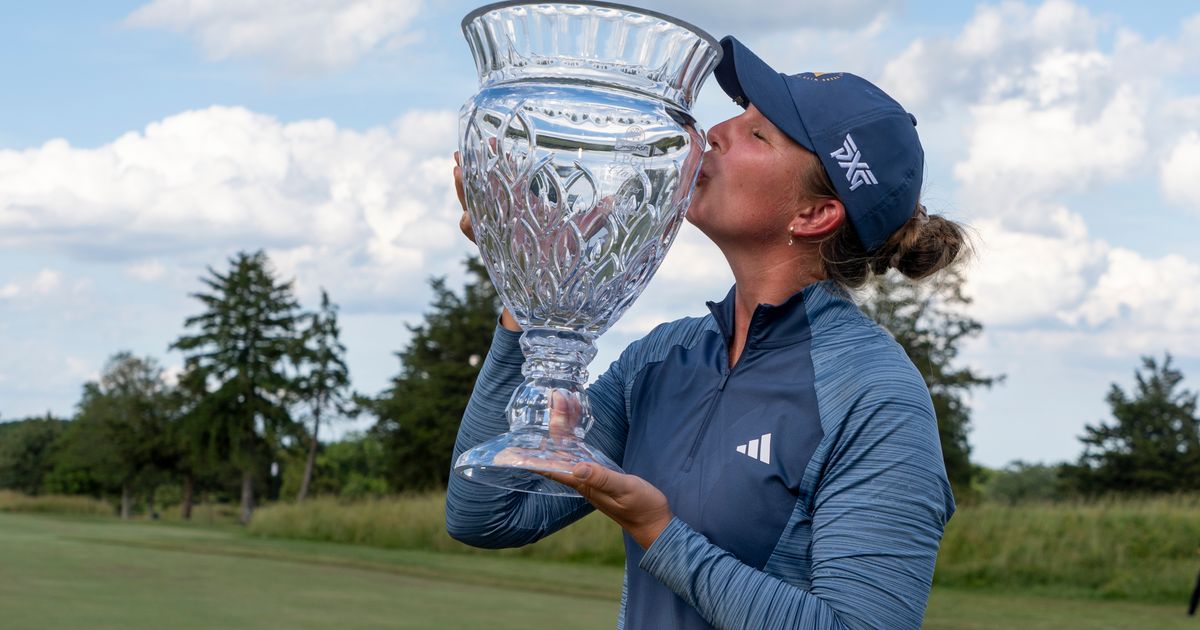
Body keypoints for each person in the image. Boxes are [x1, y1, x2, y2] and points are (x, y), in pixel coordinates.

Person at [445, 35, 964, 630]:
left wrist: (657, 532)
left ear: (813, 215)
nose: (715, 131)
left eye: (758, 133)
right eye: (739, 114)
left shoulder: (874, 396)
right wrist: (533, 286)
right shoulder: (663, 359)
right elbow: (486, 512)